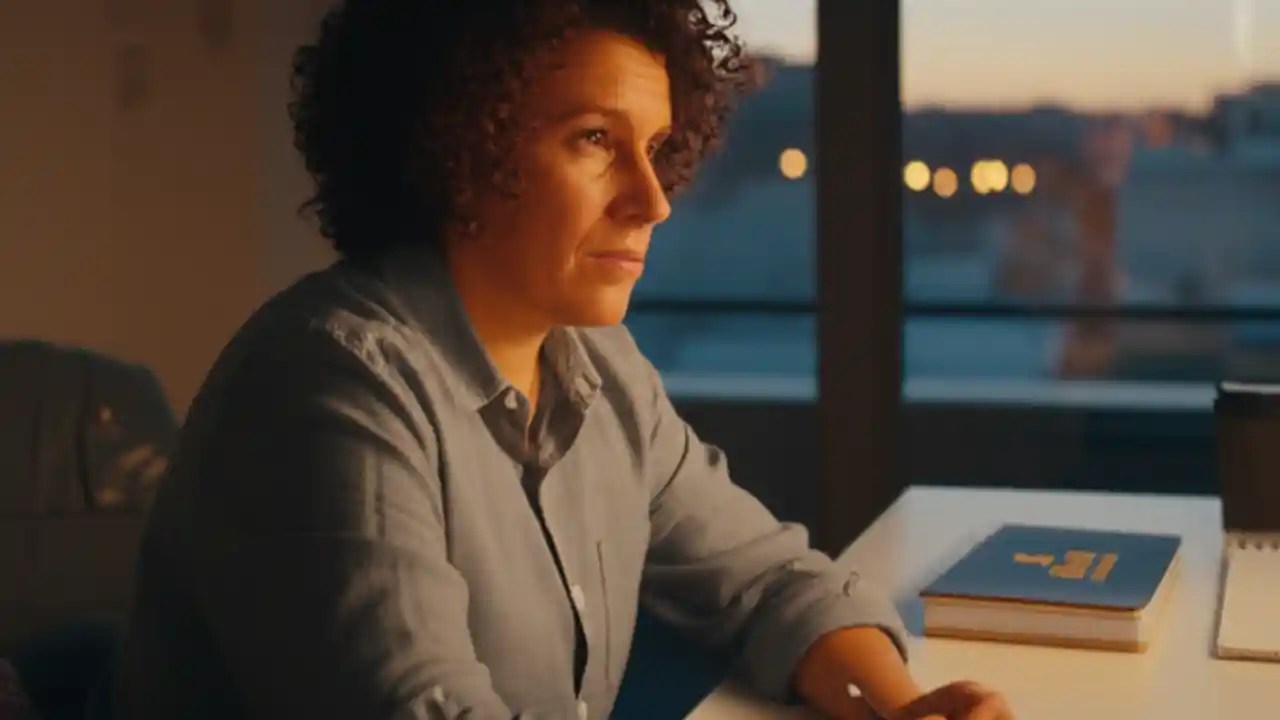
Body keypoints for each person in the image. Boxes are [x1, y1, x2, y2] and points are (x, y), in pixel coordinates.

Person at [108, 1, 1012, 718]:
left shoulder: (598, 368)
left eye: (656, 149)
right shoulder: (332, 387)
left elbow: (769, 586)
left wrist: (904, 708)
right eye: (593, 140)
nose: (653, 201)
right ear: (457, 149)